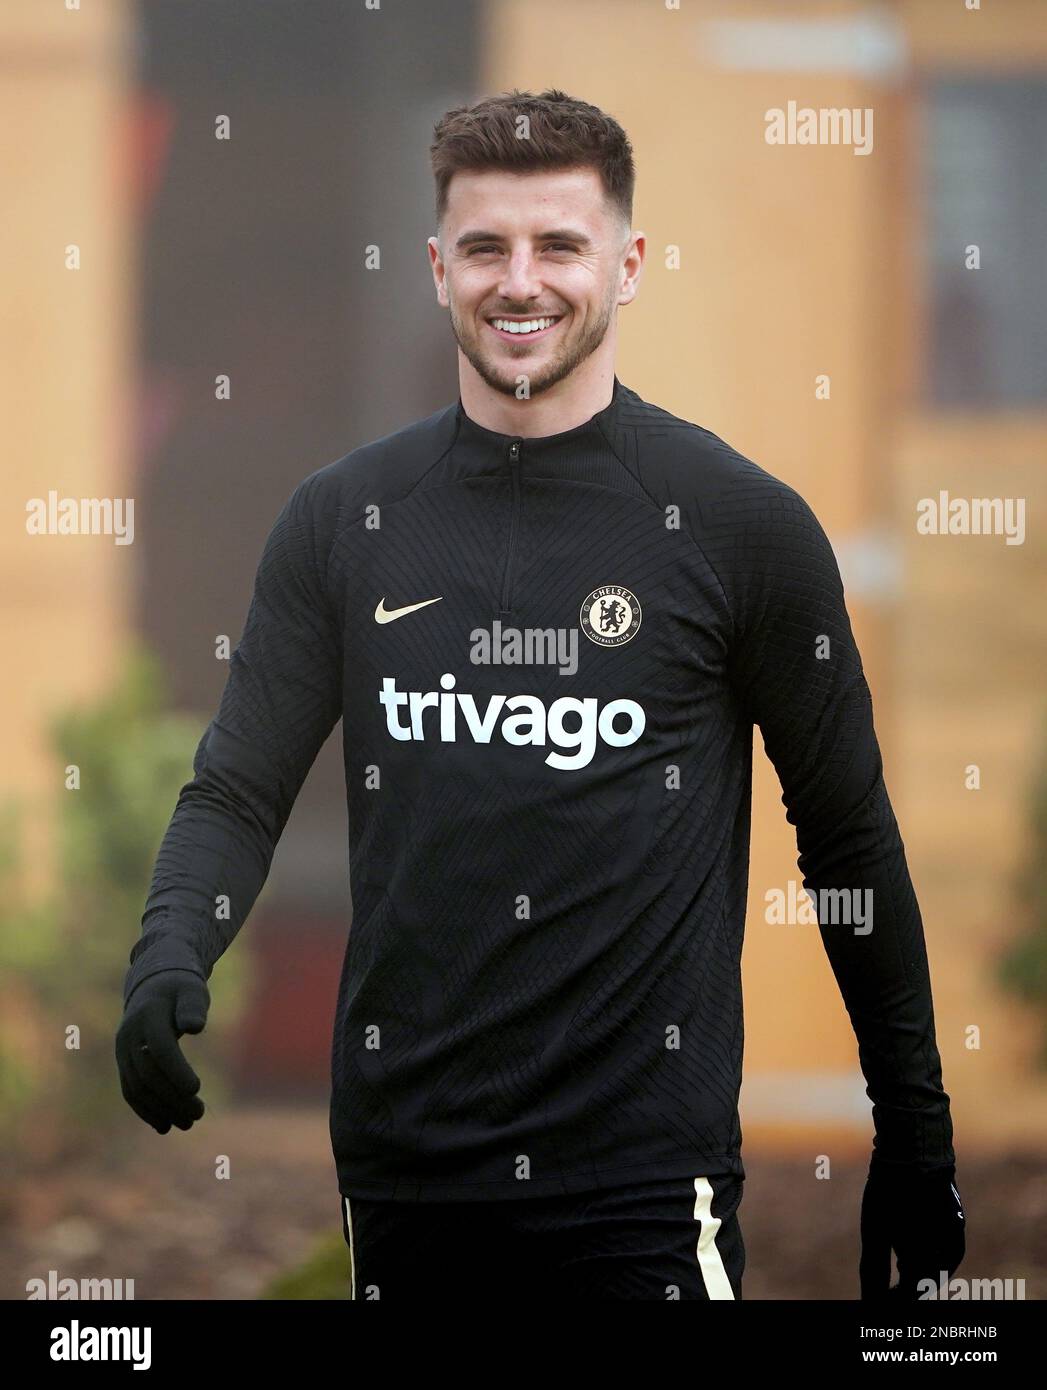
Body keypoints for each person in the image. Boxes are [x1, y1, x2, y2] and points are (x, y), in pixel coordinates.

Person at [116, 89, 964, 1302]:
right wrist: (166, 954)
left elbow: (847, 839)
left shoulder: (740, 528)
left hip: (640, 1194)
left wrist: (914, 1129)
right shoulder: (344, 523)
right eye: (486, 247)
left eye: (559, 244)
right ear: (436, 266)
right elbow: (240, 788)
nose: (522, 282)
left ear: (627, 263)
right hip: (405, 1178)